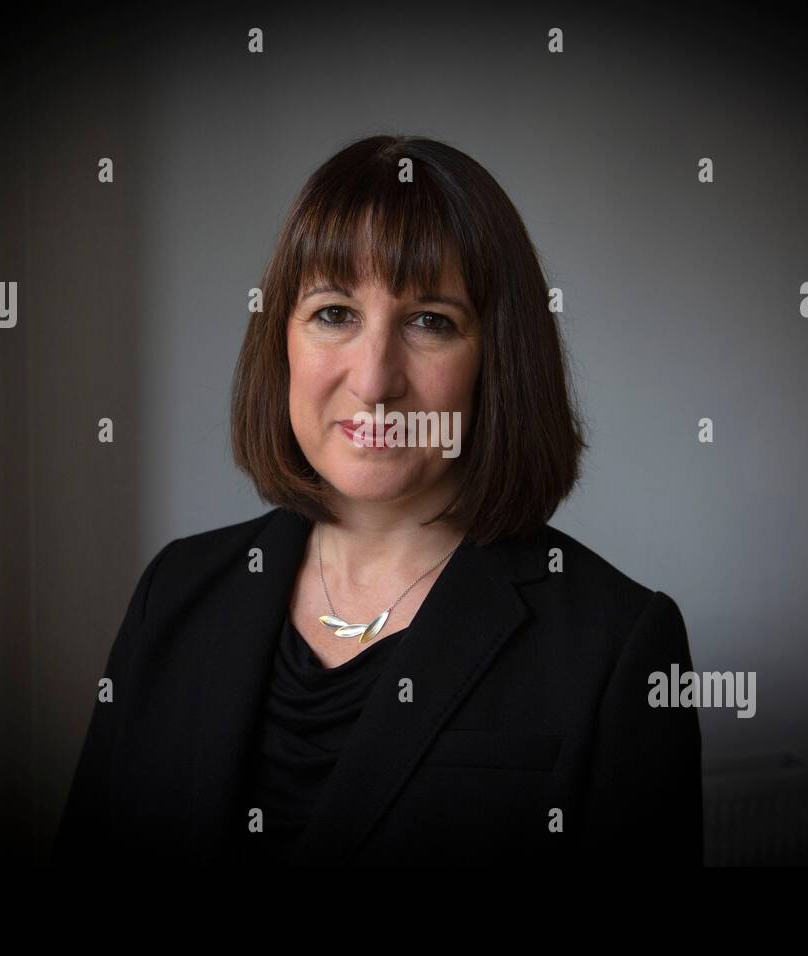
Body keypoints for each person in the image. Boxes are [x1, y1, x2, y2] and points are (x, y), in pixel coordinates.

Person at [53, 134, 702, 866]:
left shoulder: (619, 644)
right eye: (334, 313)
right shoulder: (174, 592)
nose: (374, 378)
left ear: (500, 358)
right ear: (283, 342)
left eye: (431, 320)